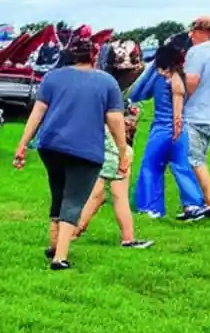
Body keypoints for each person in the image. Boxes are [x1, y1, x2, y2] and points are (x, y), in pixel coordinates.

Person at [14, 33, 129, 271]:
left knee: (58, 192)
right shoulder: (107, 82)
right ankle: (60, 258)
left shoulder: (52, 78)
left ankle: (54, 244)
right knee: (74, 199)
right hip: (86, 150)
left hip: (51, 146)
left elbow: (38, 113)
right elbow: (115, 119)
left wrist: (23, 144)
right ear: (94, 56)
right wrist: (122, 149)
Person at [129, 45, 204, 219]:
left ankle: (150, 207)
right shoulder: (184, 78)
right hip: (181, 131)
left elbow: (138, 93)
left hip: (162, 129)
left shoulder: (160, 78)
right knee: (182, 167)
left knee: (151, 168)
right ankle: (193, 204)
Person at [76, 112, 152, 249]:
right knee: (113, 193)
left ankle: (72, 232)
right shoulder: (112, 93)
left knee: (100, 194)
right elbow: (114, 117)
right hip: (112, 146)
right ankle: (128, 239)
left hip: (98, 142)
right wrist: (123, 153)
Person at [182, 15, 210, 220]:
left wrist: (176, 96)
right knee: (200, 160)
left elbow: (191, 82)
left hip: (195, 113)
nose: (190, 36)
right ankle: (201, 202)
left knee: (193, 160)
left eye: (192, 31)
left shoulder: (196, 53)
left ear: (200, 32)